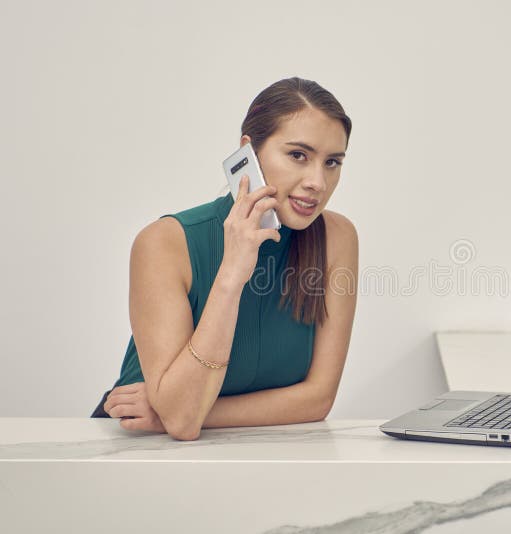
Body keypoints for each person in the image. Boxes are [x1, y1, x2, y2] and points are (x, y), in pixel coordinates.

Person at [90, 77, 358, 441]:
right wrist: (232, 273)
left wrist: (174, 411)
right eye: (298, 155)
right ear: (248, 153)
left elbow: (317, 399)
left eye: (332, 162)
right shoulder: (164, 243)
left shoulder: (336, 238)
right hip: (141, 446)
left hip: (247, 446)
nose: (318, 182)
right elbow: (182, 424)